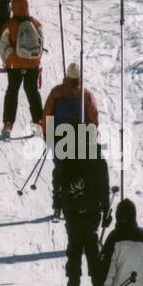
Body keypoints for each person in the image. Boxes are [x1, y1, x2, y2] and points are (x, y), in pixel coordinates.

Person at [42, 62, 100, 219]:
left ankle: (57, 206)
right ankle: (79, 203)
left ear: (67, 76)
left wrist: (47, 135)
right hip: (81, 137)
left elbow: (47, 114)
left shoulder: (56, 92)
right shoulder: (86, 94)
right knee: (81, 170)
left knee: (60, 170)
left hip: (60, 138)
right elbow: (94, 117)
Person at [58, 147, 110, 286]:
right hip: (92, 210)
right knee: (92, 247)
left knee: (74, 246)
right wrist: (106, 210)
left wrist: (60, 204)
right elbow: (104, 188)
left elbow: (61, 182)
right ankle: (97, 284)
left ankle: (73, 285)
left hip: (72, 210)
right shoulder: (98, 160)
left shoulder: (68, 156)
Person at [0, 0, 44, 138]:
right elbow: (41, 43)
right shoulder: (36, 24)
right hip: (32, 64)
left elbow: (3, 45)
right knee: (32, 92)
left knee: (12, 92)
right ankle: (39, 123)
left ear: (12, 8)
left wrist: (6, 61)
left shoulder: (9, 25)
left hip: (15, 65)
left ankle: (8, 125)